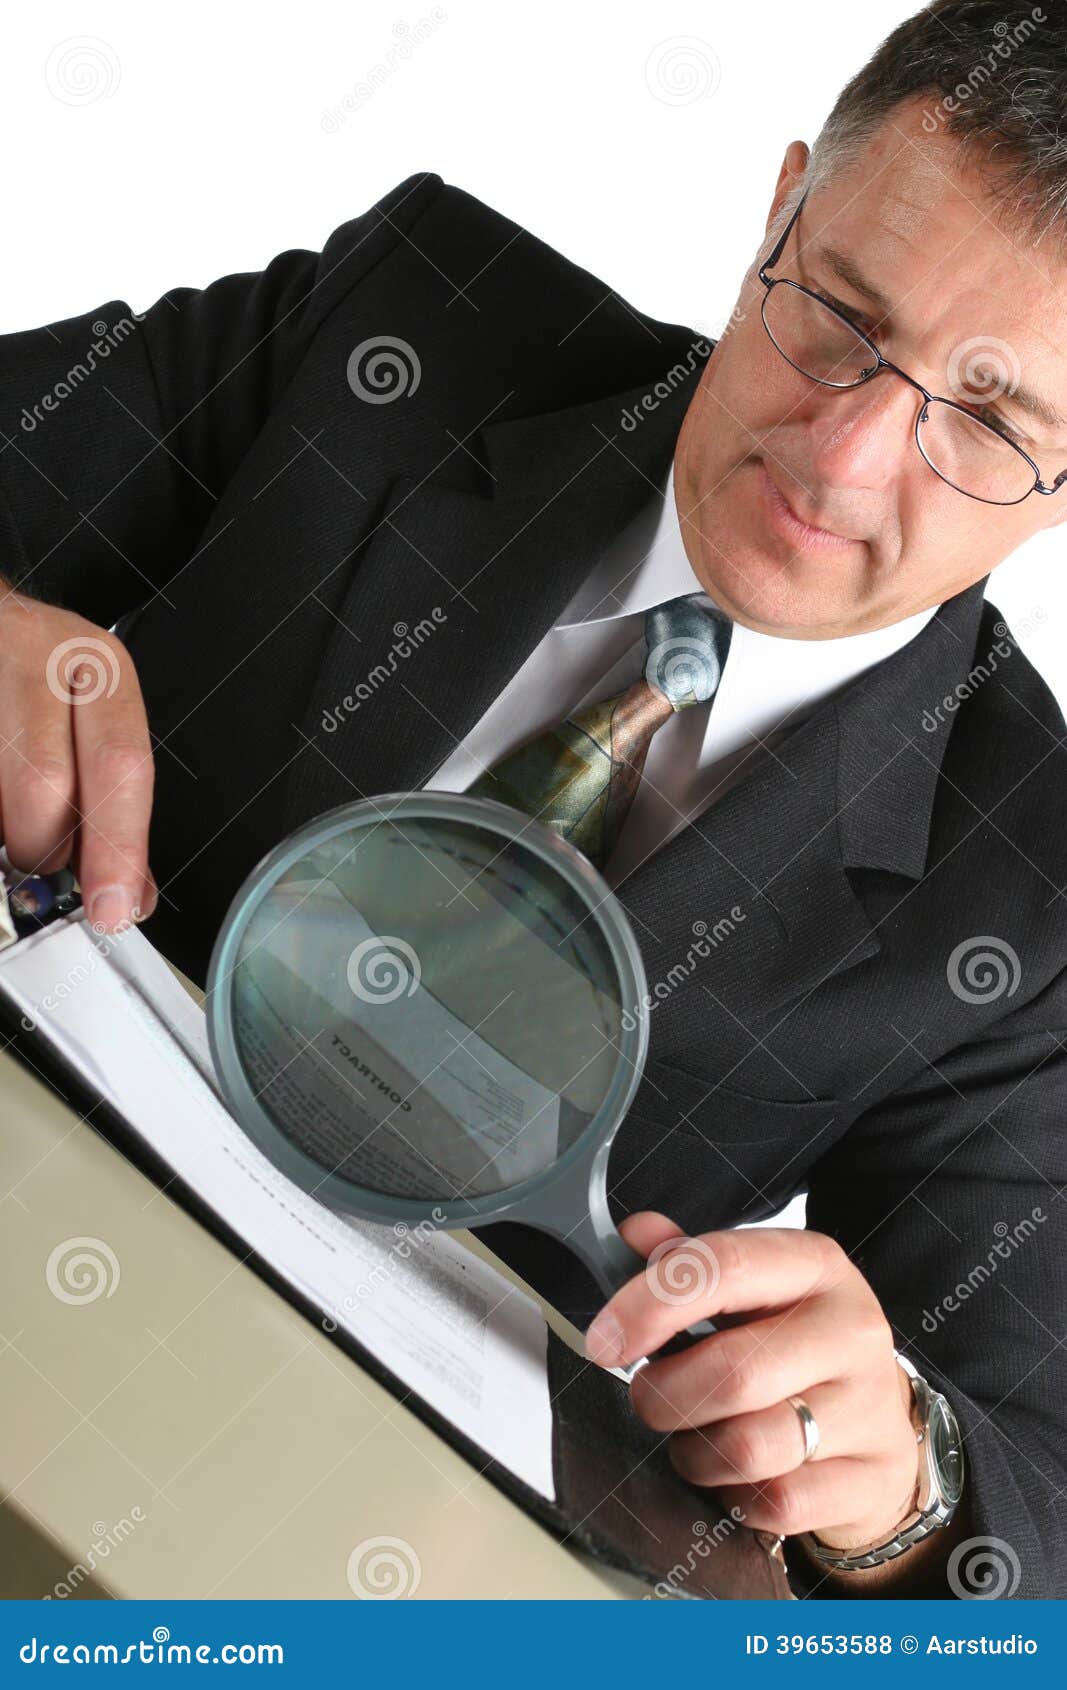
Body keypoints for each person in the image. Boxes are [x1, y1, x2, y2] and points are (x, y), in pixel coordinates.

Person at [0, 0, 1063, 1598]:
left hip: (301, 1546)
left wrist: (901, 1475)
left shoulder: (1029, 887)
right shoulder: (419, 323)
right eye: (837, 313)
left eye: (985, 423)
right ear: (779, 206)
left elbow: (1031, 1513)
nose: (844, 459)